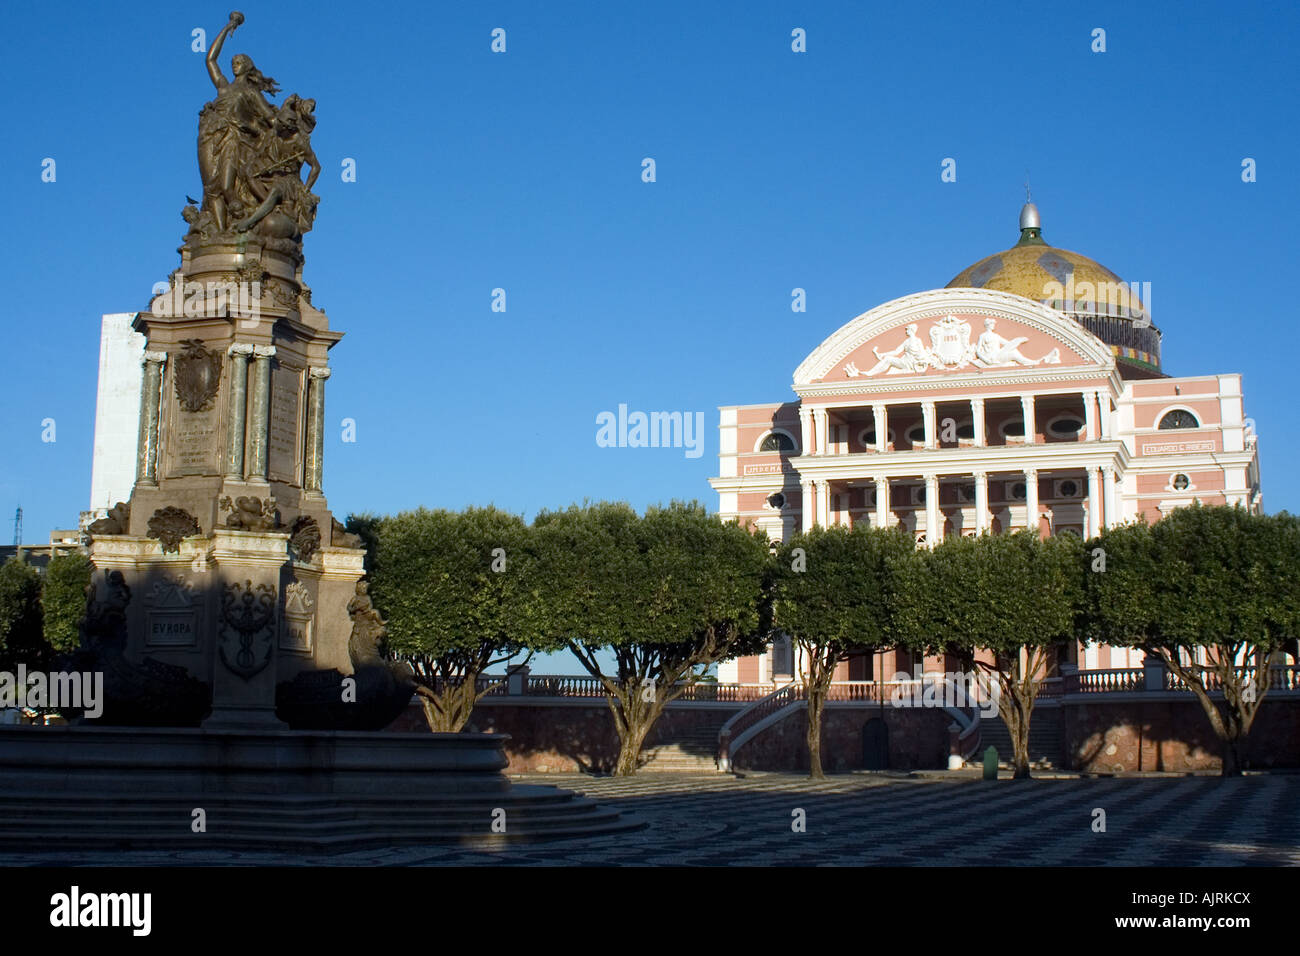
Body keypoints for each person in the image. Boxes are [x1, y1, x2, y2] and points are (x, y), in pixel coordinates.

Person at [197, 12, 280, 233]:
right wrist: (228, 27)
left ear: (248, 67)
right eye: (233, 61)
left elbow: (271, 119)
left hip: (233, 138)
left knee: (226, 187)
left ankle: (237, 223)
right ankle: (222, 232)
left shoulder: (251, 93)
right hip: (208, 136)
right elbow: (210, 60)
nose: (235, 64)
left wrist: (286, 123)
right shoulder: (223, 86)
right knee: (210, 187)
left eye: (240, 62)